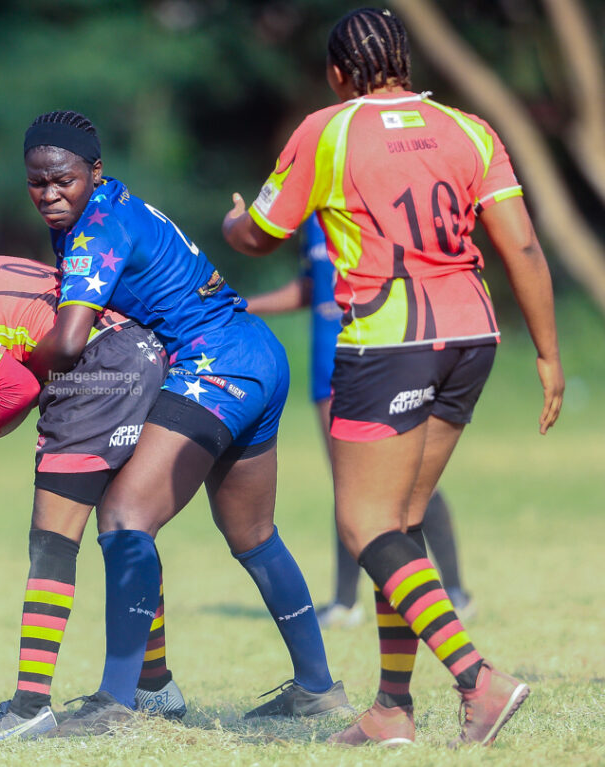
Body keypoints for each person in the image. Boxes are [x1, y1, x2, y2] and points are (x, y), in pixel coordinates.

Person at [223, 8, 563, 747]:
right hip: (473, 337)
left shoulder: (330, 128)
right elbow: (525, 246)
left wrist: (233, 224)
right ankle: (392, 708)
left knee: (365, 524)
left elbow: (264, 234)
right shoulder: (473, 129)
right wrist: (548, 354)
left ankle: (478, 679)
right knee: (400, 524)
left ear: (339, 73)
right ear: (405, 62)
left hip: (389, 345)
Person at [21, 110, 351, 736]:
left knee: (122, 516)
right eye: (36, 182)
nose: (49, 194)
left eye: (62, 180)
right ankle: (316, 689)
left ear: (94, 172)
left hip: (214, 364)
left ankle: (119, 701)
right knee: (252, 534)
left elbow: (66, 343)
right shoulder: (115, 207)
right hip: (256, 354)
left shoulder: (97, 227)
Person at [0, 255, 186, 740]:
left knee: (53, 540)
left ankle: (30, 706)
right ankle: (156, 685)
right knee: (124, 524)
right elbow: (12, 341)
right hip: (135, 349)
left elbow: (17, 388)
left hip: (96, 364)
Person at [245, 214, 474, 629]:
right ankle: (346, 602)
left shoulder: (371, 200)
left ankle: (455, 591)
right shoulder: (311, 216)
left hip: (379, 357)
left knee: (410, 479)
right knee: (347, 483)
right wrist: (245, 305)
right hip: (326, 364)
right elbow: (315, 287)